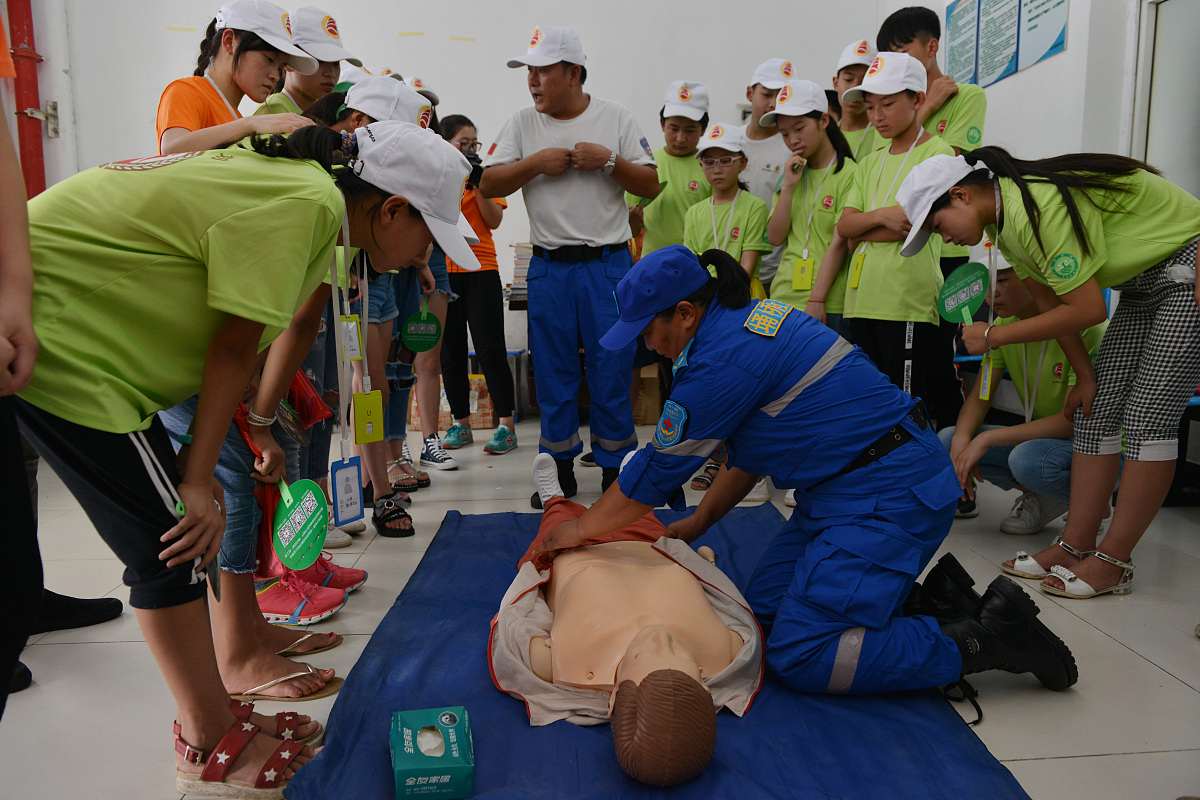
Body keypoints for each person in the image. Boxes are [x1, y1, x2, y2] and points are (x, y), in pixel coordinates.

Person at [16, 121, 478, 796]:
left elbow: (262, 323)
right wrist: (197, 479)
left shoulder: (313, 206)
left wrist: (254, 427)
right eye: (427, 236)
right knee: (172, 535)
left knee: (182, 526)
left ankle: (212, 706)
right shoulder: (308, 204)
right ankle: (204, 738)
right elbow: (232, 346)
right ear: (391, 210)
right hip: (61, 341)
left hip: (83, 335)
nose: (421, 257)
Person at [532, 245, 1078, 698]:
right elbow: (752, 453)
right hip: (845, 490)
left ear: (685, 313)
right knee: (761, 616)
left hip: (891, 494)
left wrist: (577, 530)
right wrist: (698, 524)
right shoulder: (740, 328)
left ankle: (987, 639)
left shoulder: (722, 360)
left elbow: (650, 482)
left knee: (803, 654)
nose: (645, 346)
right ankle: (930, 603)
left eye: (647, 331)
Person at [898, 148, 1200, 599]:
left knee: (1147, 421)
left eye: (938, 227)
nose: (946, 239)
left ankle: (1114, 562)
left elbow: (1088, 308)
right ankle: (1074, 546)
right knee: (1096, 414)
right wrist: (1084, 375)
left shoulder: (1032, 208)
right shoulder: (1006, 225)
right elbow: (1050, 304)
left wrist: (995, 336)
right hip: (1142, 286)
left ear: (959, 195)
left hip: (1187, 269)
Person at [490, 453, 761, 787]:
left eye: (643, 654)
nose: (659, 635)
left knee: (557, 523)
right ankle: (630, 484)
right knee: (639, 514)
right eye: (679, 654)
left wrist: (539, 577)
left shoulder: (561, 663)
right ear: (705, 685)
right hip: (647, 547)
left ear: (614, 697)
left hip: (573, 556)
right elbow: (730, 605)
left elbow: (519, 621)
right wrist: (704, 566)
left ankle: (554, 499)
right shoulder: (730, 649)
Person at [479, 25, 660, 507]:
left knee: (612, 370)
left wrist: (608, 161)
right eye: (529, 72)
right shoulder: (522, 123)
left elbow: (651, 184)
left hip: (607, 267)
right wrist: (535, 163)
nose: (533, 81)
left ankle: (614, 471)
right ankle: (557, 471)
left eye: (543, 71)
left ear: (574, 73)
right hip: (550, 268)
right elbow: (488, 179)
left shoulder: (615, 117)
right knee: (554, 373)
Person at [879, 5, 990, 435]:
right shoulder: (890, 108)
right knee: (900, 366)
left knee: (940, 360)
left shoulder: (968, 96)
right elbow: (883, 165)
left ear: (931, 47)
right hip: (902, 246)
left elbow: (951, 167)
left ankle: (959, 468)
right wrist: (923, 110)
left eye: (904, 50)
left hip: (947, 248)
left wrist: (925, 112)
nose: (899, 62)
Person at [938, 260, 1106, 531]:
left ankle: (1090, 504)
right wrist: (961, 439)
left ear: (1035, 279)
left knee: (1026, 458)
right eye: (989, 285)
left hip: (1097, 446)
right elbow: (980, 398)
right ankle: (1048, 497)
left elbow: (1074, 421)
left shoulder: (1085, 328)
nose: (994, 293)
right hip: (1045, 441)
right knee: (948, 440)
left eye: (1004, 281)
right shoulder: (1002, 327)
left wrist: (987, 438)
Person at [836, 53, 955, 416]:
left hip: (906, 299)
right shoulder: (870, 161)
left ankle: (915, 471)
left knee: (906, 402)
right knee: (871, 400)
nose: (877, 116)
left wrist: (867, 226)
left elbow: (913, 227)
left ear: (918, 99)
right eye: (870, 107)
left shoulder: (938, 152)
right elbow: (844, 227)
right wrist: (882, 217)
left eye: (887, 104)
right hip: (861, 297)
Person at [437, 115, 519, 456]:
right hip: (443, 272)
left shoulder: (486, 179)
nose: (470, 150)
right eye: (463, 144)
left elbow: (494, 221)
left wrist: (477, 185)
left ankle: (506, 427)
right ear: (445, 145)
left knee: (490, 350)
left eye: (474, 144)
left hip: (481, 270)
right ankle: (461, 423)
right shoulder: (436, 177)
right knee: (450, 352)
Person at [156, 0, 317, 155]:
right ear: (229, 41)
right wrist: (249, 125)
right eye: (269, 59)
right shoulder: (187, 91)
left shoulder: (236, 118)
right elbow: (172, 149)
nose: (275, 76)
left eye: (281, 68)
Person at [762, 80, 858, 335]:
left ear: (824, 120)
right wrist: (790, 187)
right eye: (784, 133)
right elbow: (775, 237)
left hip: (828, 302)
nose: (792, 139)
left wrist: (817, 298)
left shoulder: (849, 173)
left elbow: (840, 241)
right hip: (781, 298)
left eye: (799, 127)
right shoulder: (791, 173)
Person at [682, 125, 771, 297]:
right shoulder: (694, 213)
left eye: (725, 161)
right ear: (701, 165)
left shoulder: (755, 207)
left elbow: (747, 269)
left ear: (742, 163)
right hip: (707, 296)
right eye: (709, 162)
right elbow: (692, 266)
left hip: (744, 294)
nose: (717, 170)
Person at [626, 81, 712, 257]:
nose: (680, 138)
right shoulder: (646, 166)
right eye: (674, 128)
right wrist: (632, 220)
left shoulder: (712, 168)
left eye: (690, 130)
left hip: (698, 266)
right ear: (662, 124)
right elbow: (629, 229)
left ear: (703, 129)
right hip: (653, 265)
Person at [737, 59, 796, 296]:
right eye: (767, 94)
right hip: (731, 268)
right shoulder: (730, 142)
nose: (773, 103)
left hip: (777, 274)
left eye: (782, 95)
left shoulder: (793, 147)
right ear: (750, 93)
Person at [254, 5, 361, 116]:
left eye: (336, 63)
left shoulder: (319, 115)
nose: (331, 73)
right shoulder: (274, 110)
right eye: (319, 61)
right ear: (290, 60)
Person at [833, 40, 884, 160]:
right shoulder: (824, 135)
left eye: (865, 81)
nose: (855, 88)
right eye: (848, 79)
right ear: (836, 83)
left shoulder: (884, 134)